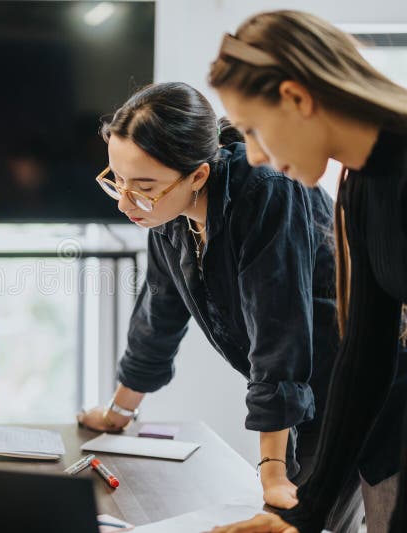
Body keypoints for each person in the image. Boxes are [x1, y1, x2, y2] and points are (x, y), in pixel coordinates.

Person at [76, 81, 364, 531]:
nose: (126, 203)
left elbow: (279, 332)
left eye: (145, 187)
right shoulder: (165, 211)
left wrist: (271, 470)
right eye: (118, 181)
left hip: (351, 390)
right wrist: (119, 413)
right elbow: (159, 314)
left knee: (297, 520)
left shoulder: (266, 190)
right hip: (295, 393)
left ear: (198, 176)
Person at [208, 10, 407, 533]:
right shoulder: (361, 186)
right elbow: (366, 359)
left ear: (296, 98)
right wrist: (304, 515)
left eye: (252, 129)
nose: (253, 155)